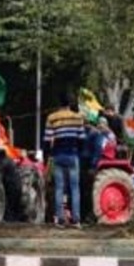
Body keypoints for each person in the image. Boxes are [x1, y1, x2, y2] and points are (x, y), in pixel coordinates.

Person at [44, 92, 88, 226]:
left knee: (59, 188)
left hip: (58, 155)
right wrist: (79, 152)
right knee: (75, 188)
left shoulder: (52, 118)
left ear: (59, 103)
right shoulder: (78, 118)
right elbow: (82, 139)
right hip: (73, 155)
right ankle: (76, 219)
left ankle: (60, 219)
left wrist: (48, 154)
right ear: (70, 103)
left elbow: (47, 139)